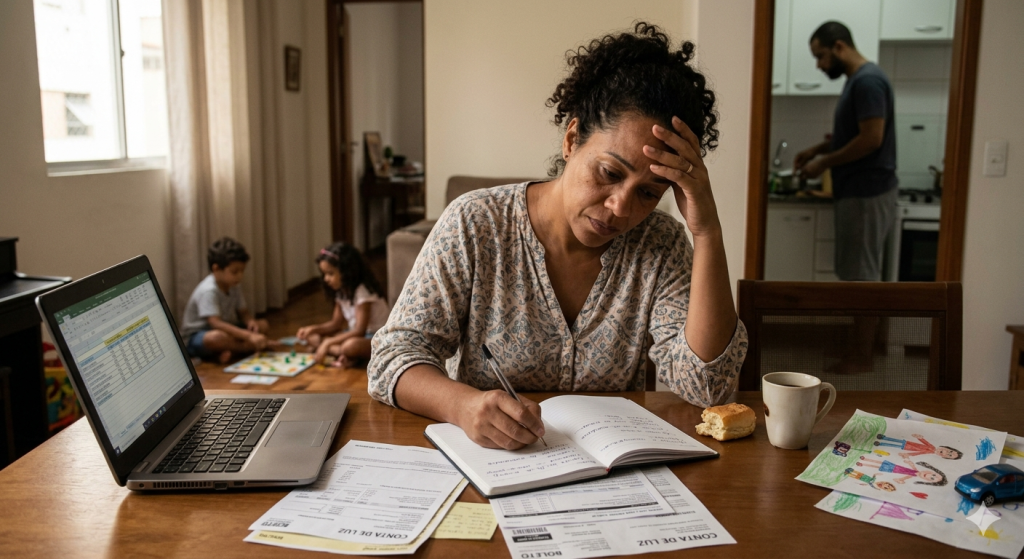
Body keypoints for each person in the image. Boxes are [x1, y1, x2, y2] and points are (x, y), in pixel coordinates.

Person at [367, 22, 747, 450]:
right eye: (609, 173)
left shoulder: (661, 245)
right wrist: (463, 406)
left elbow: (707, 388)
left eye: (648, 192)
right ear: (572, 139)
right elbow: (391, 358)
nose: (621, 208)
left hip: (614, 480)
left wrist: (707, 229)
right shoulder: (476, 224)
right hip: (492, 468)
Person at [793, 21, 898, 282]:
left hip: (866, 193)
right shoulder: (858, 81)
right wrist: (815, 150)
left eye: (820, 56)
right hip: (860, 193)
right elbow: (853, 136)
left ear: (839, 46)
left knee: (860, 280)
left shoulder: (868, 82)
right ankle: (862, 325)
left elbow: (871, 139)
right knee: (856, 275)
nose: (818, 65)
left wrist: (823, 162)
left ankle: (865, 326)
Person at [296, 243, 391, 368]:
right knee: (312, 337)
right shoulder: (341, 292)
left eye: (330, 273)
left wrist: (328, 342)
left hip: (377, 338)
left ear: (347, 272)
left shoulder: (362, 292)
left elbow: (359, 331)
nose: (326, 279)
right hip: (356, 334)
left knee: (350, 346)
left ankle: (344, 353)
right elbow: (335, 324)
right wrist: (312, 329)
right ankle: (348, 356)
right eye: (324, 274)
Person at [181, 237, 270, 363]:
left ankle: (229, 351)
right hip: (198, 336)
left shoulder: (234, 285)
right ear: (216, 269)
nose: (240, 276)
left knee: (263, 325)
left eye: (242, 271)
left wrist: (250, 322)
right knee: (216, 338)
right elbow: (215, 323)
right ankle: (246, 347)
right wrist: (249, 336)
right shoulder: (208, 290)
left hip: (226, 328)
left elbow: (243, 312)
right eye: (235, 272)